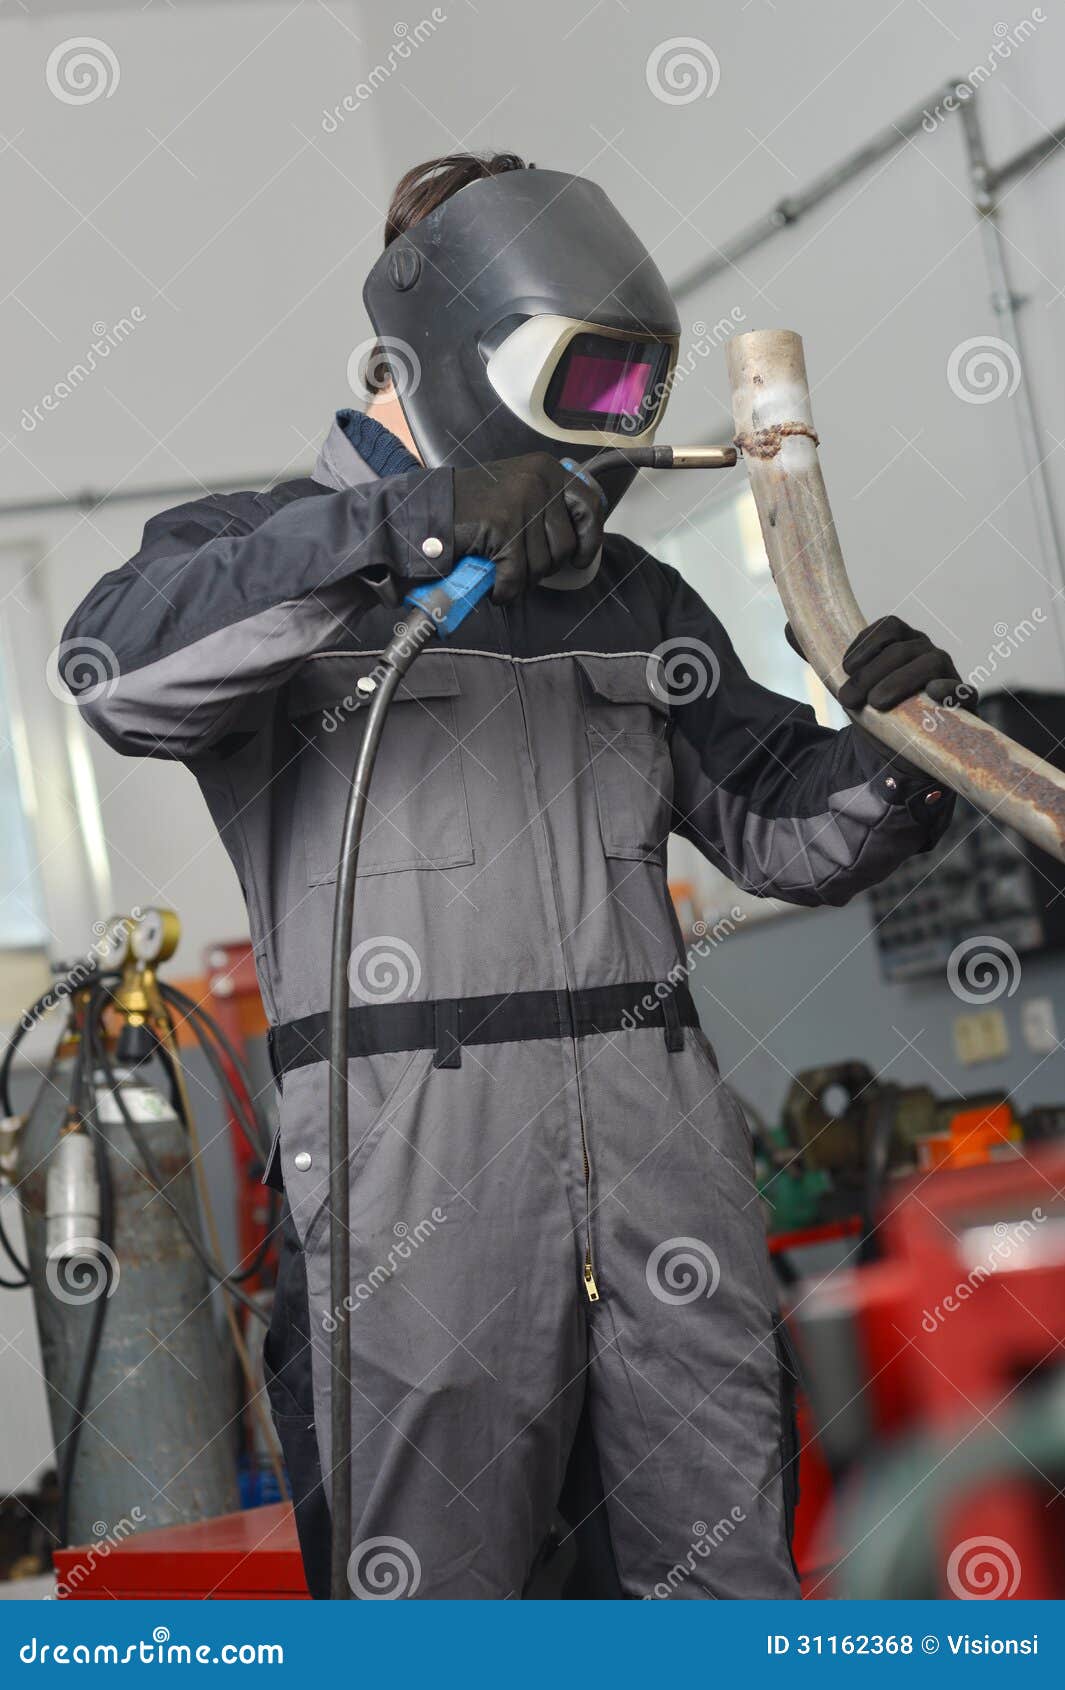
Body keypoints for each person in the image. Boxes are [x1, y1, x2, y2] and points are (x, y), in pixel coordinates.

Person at [63, 152, 973, 1600]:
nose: (604, 436)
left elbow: (785, 830)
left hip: (664, 1175)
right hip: (408, 1206)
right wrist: (401, 527)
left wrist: (906, 748)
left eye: (626, 396)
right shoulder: (258, 559)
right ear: (431, 353)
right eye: (580, 389)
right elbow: (117, 674)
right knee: (442, 1607)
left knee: (726, 1585)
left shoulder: (633, 599)